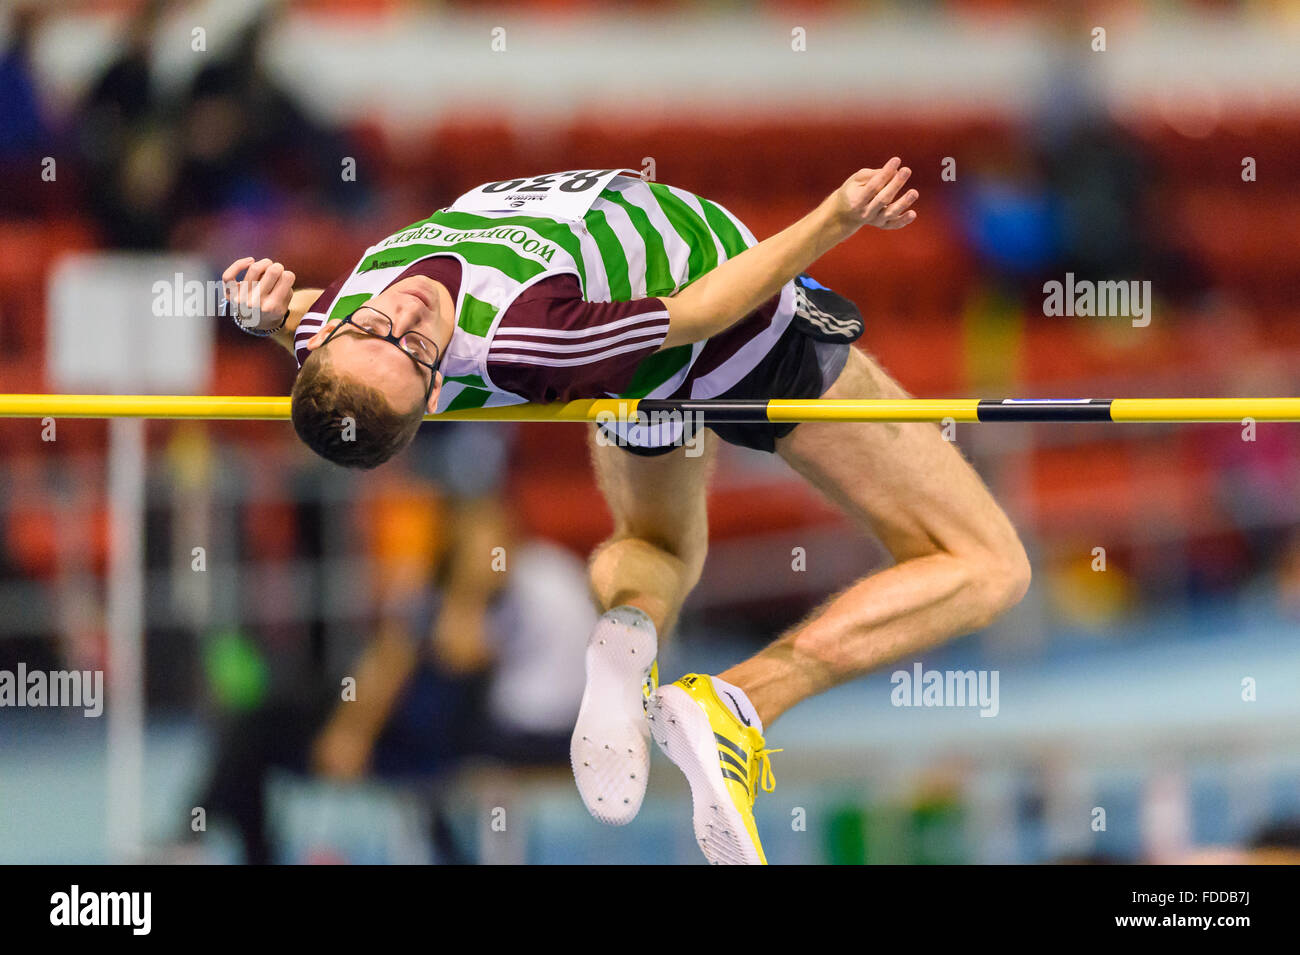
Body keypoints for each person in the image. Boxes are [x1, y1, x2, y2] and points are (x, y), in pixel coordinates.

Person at [220, 161, 1030, 864]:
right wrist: (834, 220)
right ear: (435, 388)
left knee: (657, 543)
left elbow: (306, 320)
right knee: (987, 564)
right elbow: (704, 312)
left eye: (375, 327)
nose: (402, 320)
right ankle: (740, 704)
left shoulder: (337, 331)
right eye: (409, 349)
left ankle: (627, 643)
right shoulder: (527, 339)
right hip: (734, 330)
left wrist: (263, 311)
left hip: (630, 360)